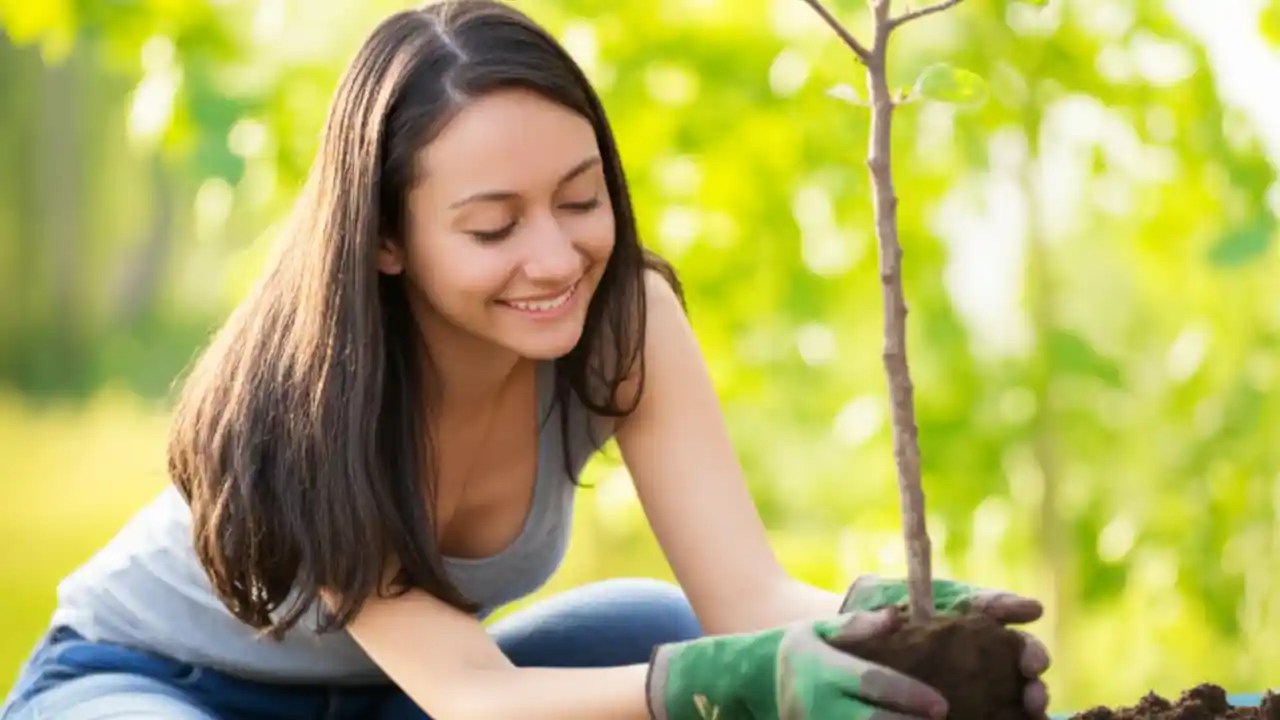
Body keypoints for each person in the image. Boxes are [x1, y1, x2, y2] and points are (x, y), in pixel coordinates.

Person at [0, 2, 1051, 718]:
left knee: (661, 623)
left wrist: (892, 631)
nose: (555, 258)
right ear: (383, 238)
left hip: (388, 695)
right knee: (683, 671)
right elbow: (474, 697)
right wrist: (712, 687)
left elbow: (745, 601)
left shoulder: (622, 317)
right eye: (492, 228)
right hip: (155, 684)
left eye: (580, 199)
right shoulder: (306, 402)